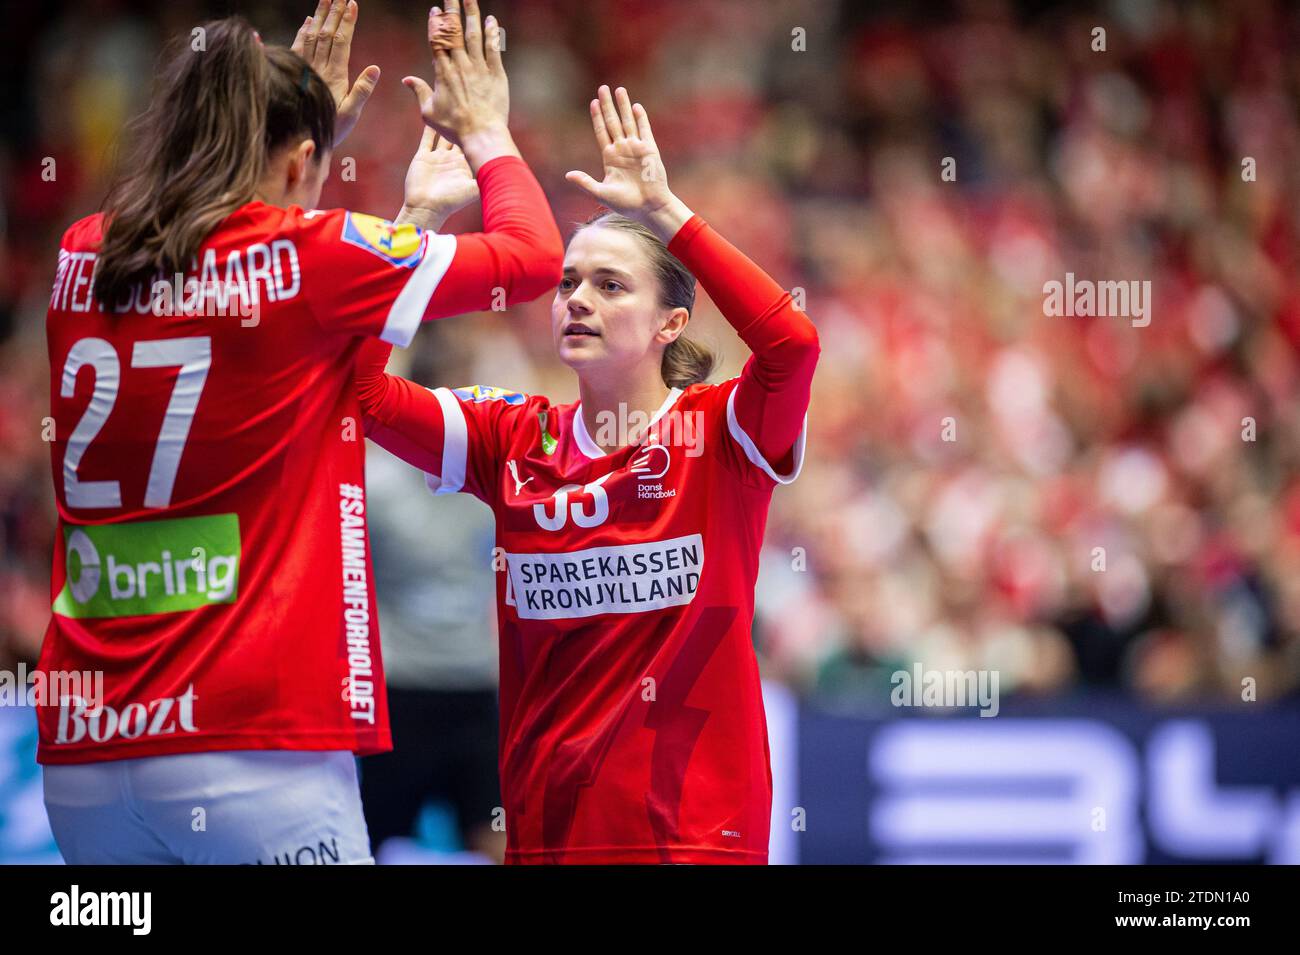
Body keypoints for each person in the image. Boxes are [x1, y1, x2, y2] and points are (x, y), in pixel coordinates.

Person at [38, 0, 560, 864]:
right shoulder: (309, 254)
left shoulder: (80, 253)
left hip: (86, 755)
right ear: (299, 160)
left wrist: (307, 149)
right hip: (249, 742)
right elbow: (534, 259)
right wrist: (486, 132)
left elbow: (293, 335)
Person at [354, 85, 820, 864]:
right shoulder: (509, 436)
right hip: (548, 835)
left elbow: (793, 345)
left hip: (694, 837)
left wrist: (667, 212)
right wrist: (415, 228)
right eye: (568, 282)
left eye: (610, 285)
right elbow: (360, 391)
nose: (576, 299)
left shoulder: (721, 432)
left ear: (671, 322)